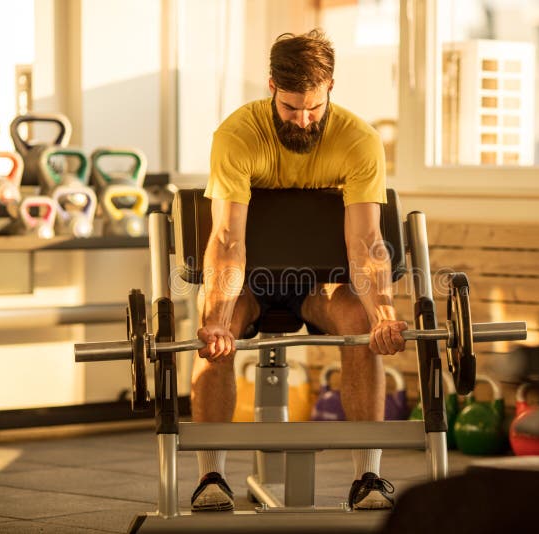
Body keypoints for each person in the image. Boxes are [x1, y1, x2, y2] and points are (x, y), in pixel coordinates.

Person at [190, 29, 408, 512]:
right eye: (291, 108)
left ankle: (368, 475)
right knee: (213, 333)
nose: (304, 120)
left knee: (358, 323)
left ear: (331, 86)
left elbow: (367, 241)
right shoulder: (237, 134)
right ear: (271, 86)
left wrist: (384, 314)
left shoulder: (359, 140)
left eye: (314, 107)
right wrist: (220, 316)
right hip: (251, 281)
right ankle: (212, 476)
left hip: (319, 284)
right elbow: (227, 239)